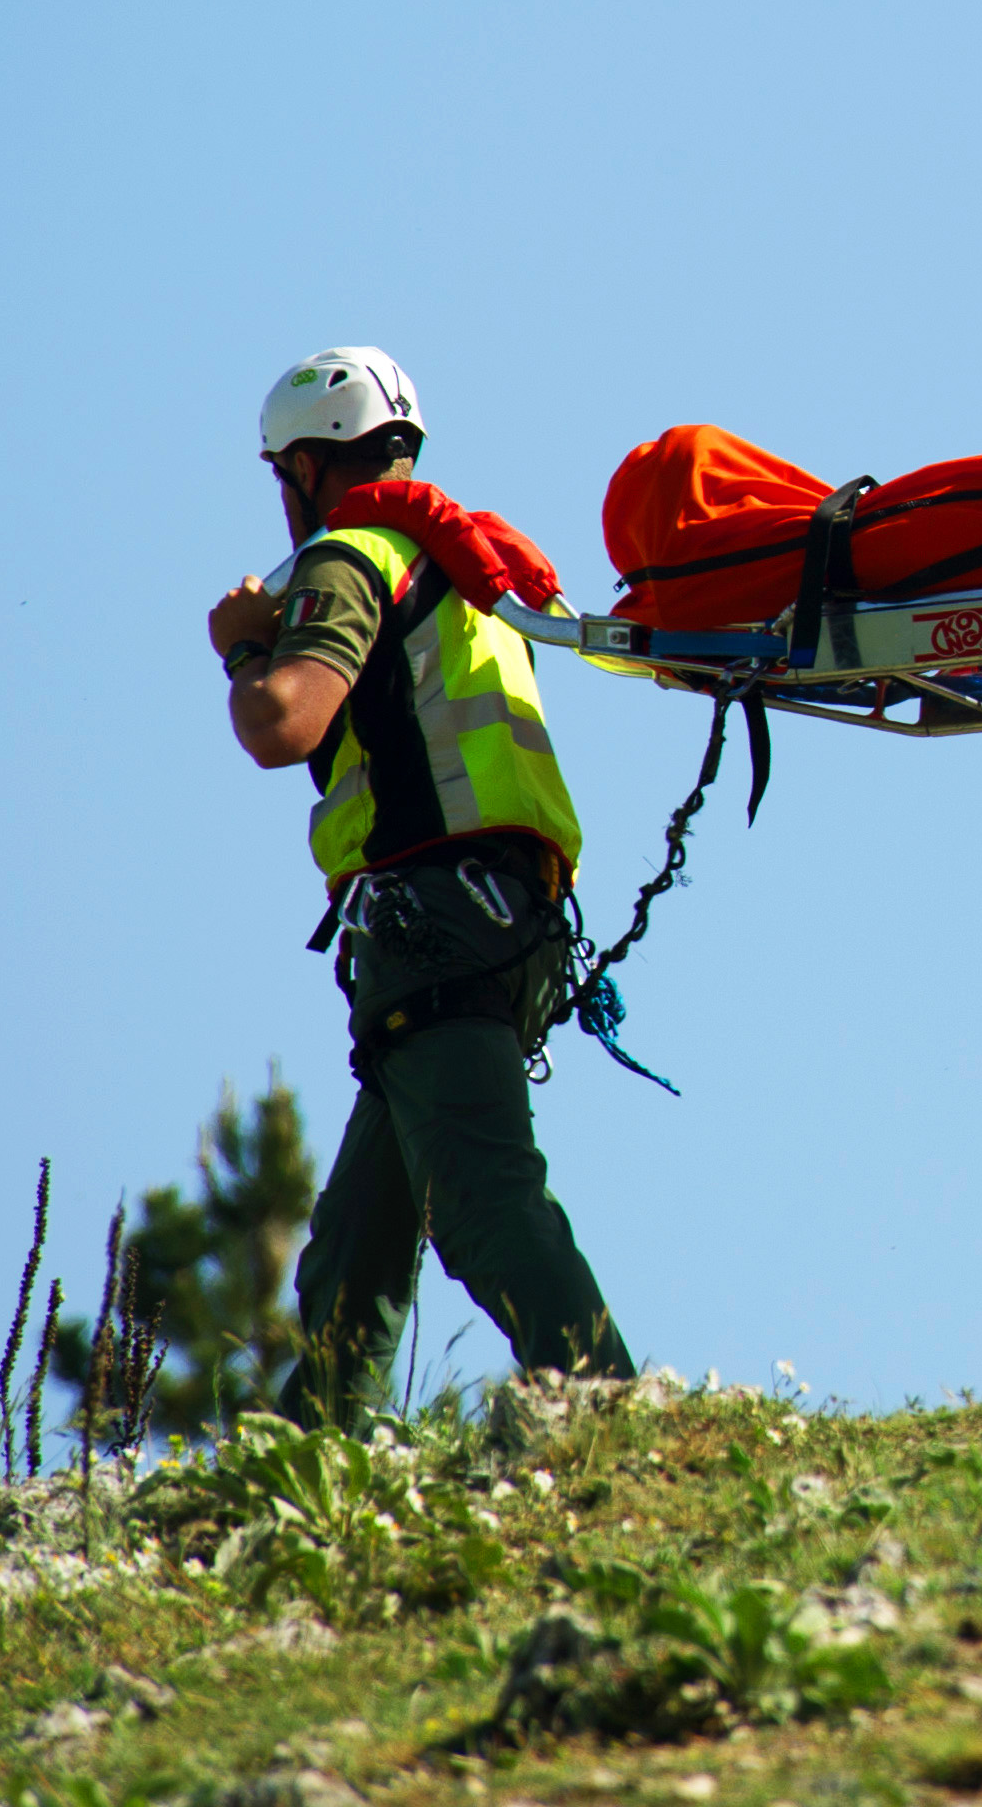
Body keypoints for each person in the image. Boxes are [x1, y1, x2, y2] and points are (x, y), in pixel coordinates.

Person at [204, 346, 634, 1425]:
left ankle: (615, 1414)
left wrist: (244, 653)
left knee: (483, 1204)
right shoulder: (464, 565)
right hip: (512, 925)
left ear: (305, 466)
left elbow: (281, 723)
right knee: (356, 1246)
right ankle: (310, 1452)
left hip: (431, 924)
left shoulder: (350, 561)